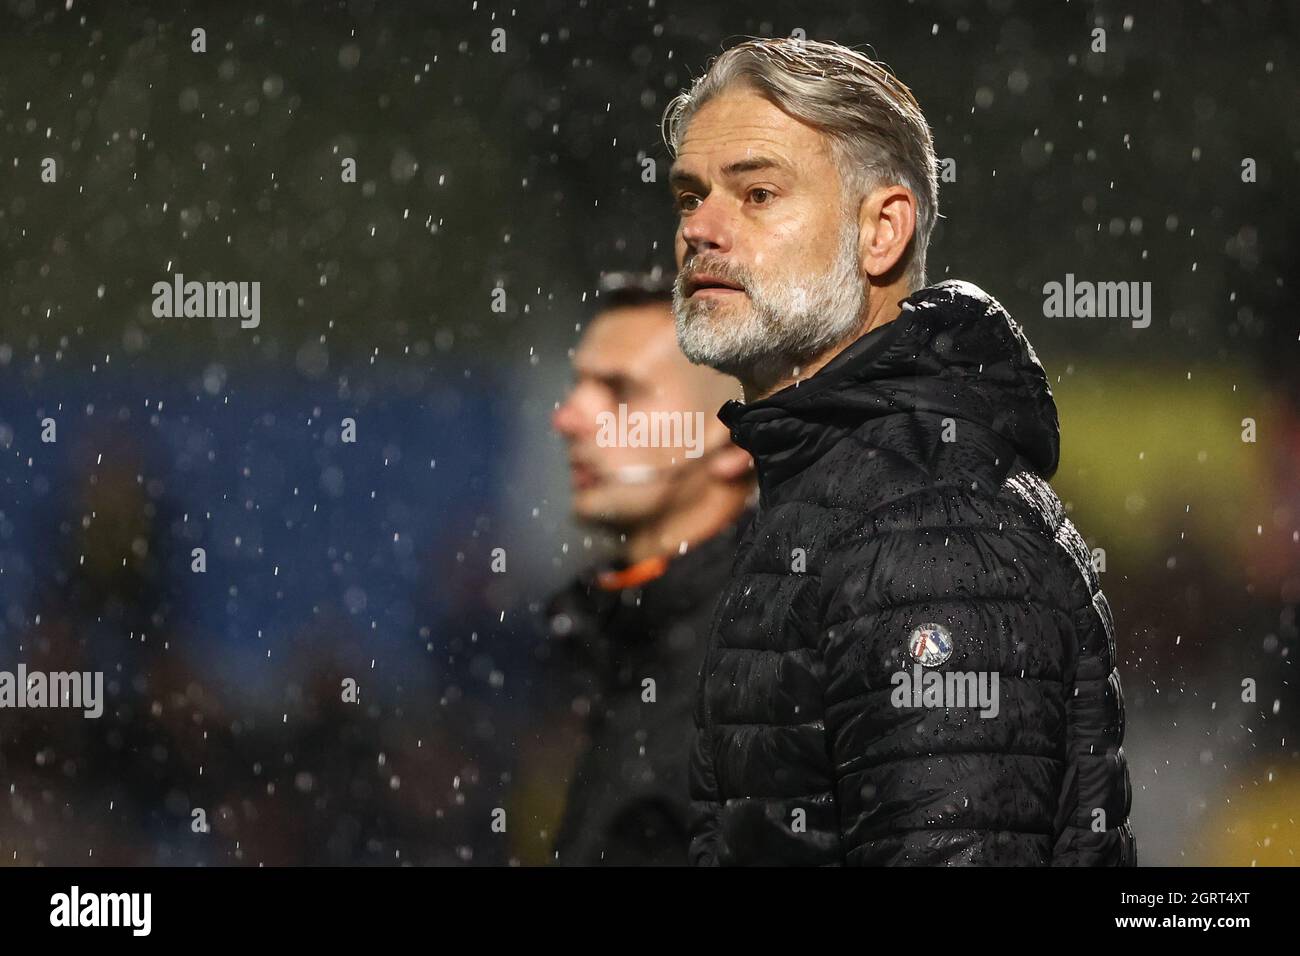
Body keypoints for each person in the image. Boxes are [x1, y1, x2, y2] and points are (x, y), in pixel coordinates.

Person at [663, 37, 1136, 865]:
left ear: (882, 232)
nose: (699, 229)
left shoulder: (926, 529)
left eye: (758, 192)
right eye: (689, 197)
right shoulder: (841, 490)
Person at [535, 269, 755, 865]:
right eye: (578, 383)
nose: (570, 418)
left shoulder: (764, 667)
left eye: (621, 391)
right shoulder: (636, 626)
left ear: (736, 439)